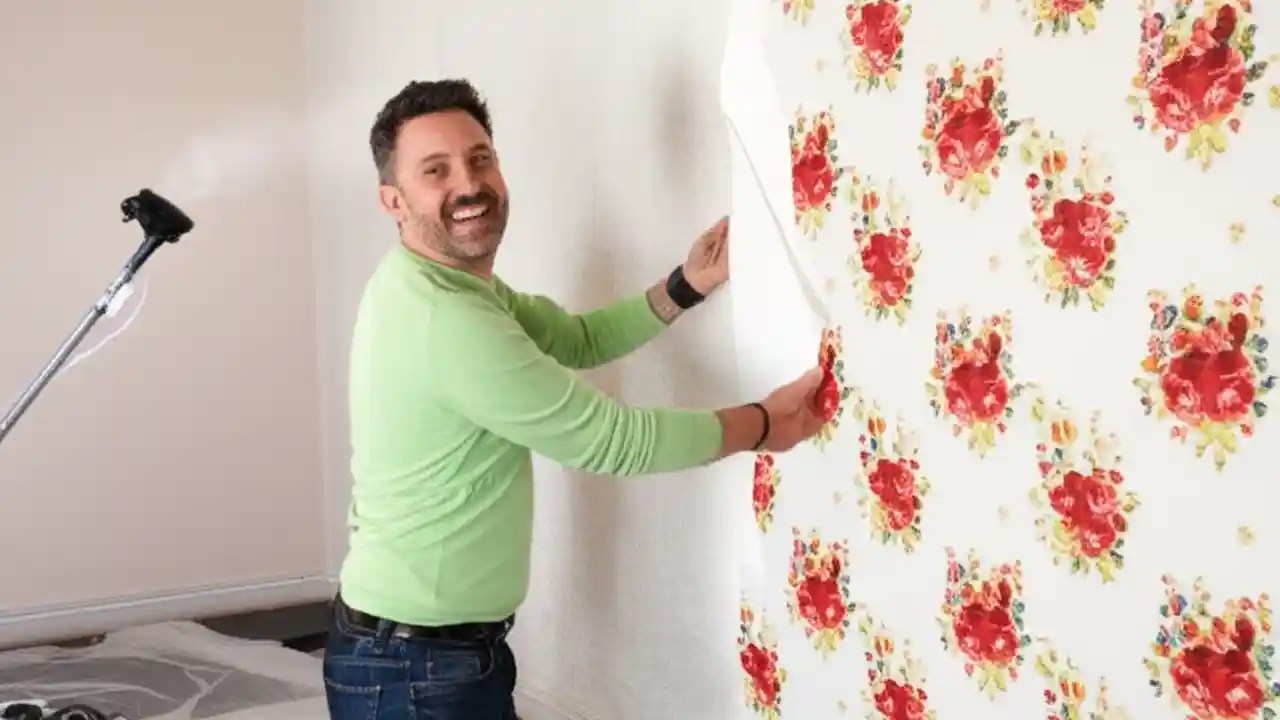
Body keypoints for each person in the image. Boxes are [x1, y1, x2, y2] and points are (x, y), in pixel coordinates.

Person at [323, 78, 826, 720]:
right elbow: (610, 441)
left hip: (430, 653)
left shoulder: (449, 288)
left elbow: (577, 338)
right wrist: (763, 424)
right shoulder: (443, 319)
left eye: (480, 159)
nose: (469, 185)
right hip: (414, 669)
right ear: (393, 200)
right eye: (435, 171)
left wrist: (689, 283)